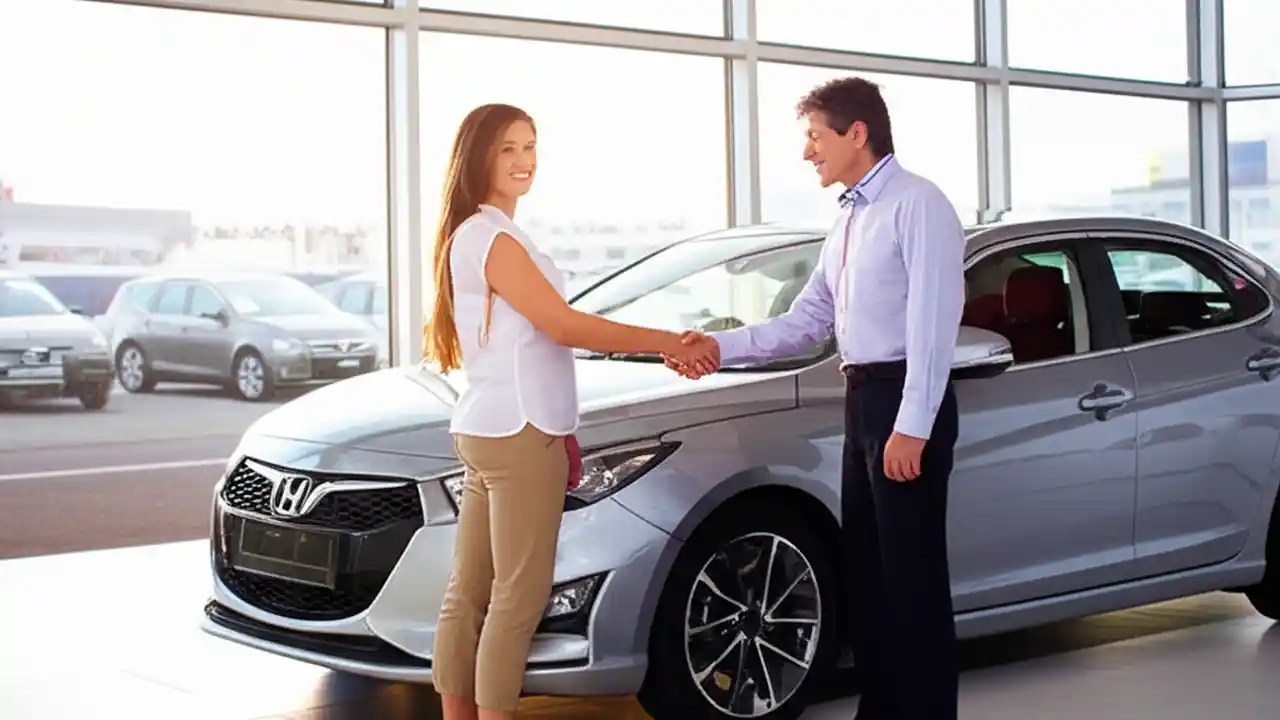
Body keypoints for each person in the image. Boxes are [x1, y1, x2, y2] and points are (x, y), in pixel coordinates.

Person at [668, 77, 966, 720]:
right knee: (869, 576)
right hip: (862, 402)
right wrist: (717, 347)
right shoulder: (851, 219)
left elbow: (933, 328)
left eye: (815, 136)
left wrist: (912, 426)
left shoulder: (919, 205)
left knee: (912, 580)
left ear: (857, 133)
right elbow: (804, 324)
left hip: (904, 402)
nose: (807, 152)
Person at [423, 103, 716, 720]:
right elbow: (561, 325)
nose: (524, 160)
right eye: (508, 148)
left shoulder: (474, 233)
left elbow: (528, 341)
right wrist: (667, 342)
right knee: (516, 597)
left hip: (491, 427)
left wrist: (562, 428)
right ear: (478, 156)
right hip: (519, 432)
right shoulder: (494, 237)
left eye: (530, 146)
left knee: (468, 594)